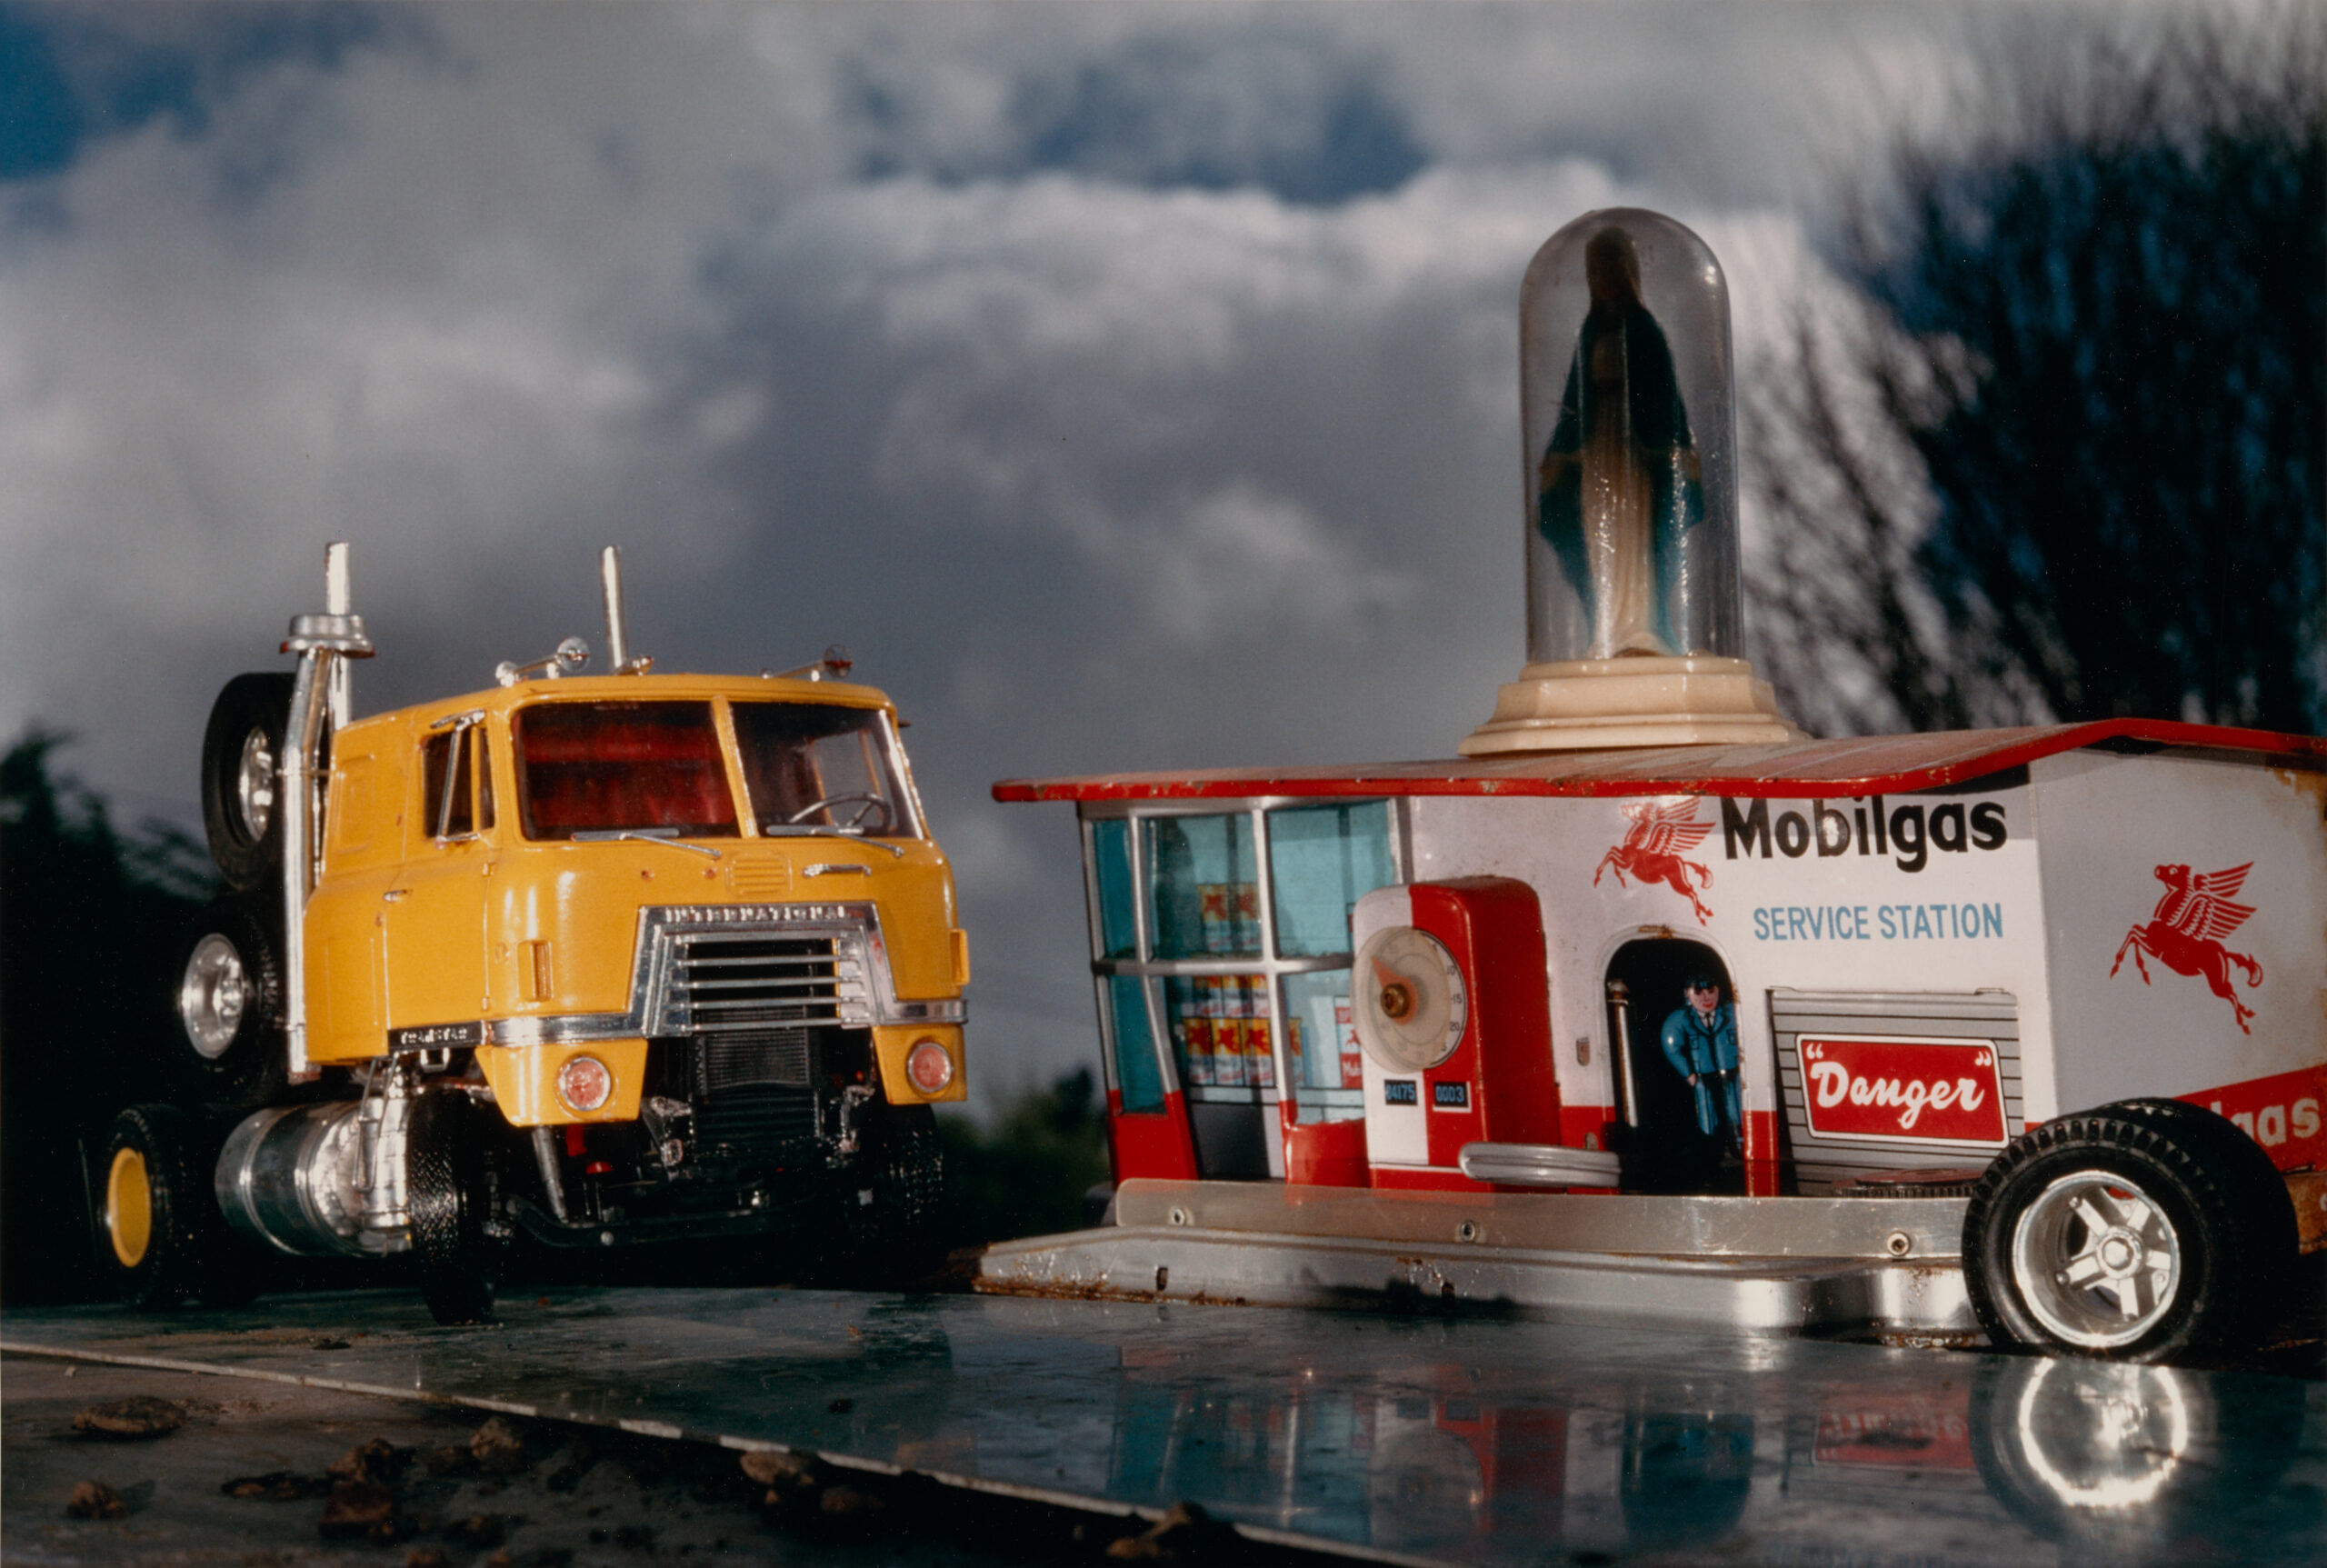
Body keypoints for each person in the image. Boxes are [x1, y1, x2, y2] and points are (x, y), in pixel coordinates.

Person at [1535, 225, 1703, 658]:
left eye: (1612, 269)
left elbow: (1665, 394)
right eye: (1598, 272)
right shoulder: (1590, 334)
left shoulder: (1645, 329)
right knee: (1598, 530)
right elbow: (1574, 398)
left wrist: (1674, 445)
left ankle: (1642, 627)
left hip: (1634, 451)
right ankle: (1607, 628)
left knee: (1635, 534)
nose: (1606, 280)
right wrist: (1560, 452)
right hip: (1598, 447)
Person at [1660, 975, 1741, 1153]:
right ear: (1687, 995)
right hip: (1701, 1073)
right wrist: (1687, 1072)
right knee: (1706, 1108)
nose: (1705, 997)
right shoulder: (1681, 1019)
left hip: (1731, 1071)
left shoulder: (1732, 1012)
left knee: (1735, 1105)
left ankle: (1739, 1142)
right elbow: (1671, 1044)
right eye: (1698, 992)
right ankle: (1710, 1147)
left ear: (1719, 991)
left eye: (1710, 991)